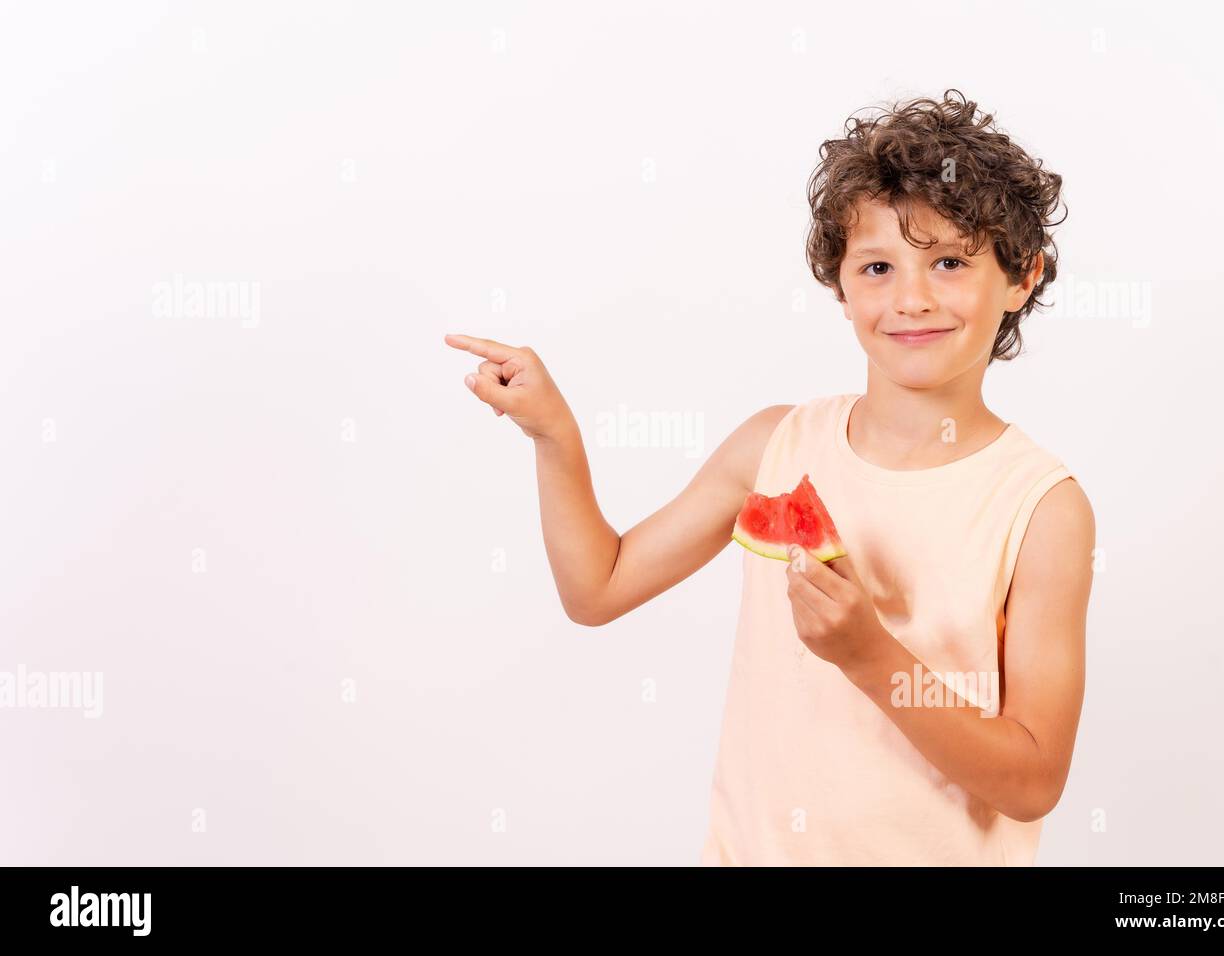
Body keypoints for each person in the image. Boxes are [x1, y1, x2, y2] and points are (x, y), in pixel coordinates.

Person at [445, 89, 1093, 866]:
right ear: (840, 285)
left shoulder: (1041, 507)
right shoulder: (776, 448)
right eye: (878, 266)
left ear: (1023, 276)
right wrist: (555, 434)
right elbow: (598, 589)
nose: (911, 299)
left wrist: (868, 655)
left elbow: (1032, 781)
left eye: (950, 262)